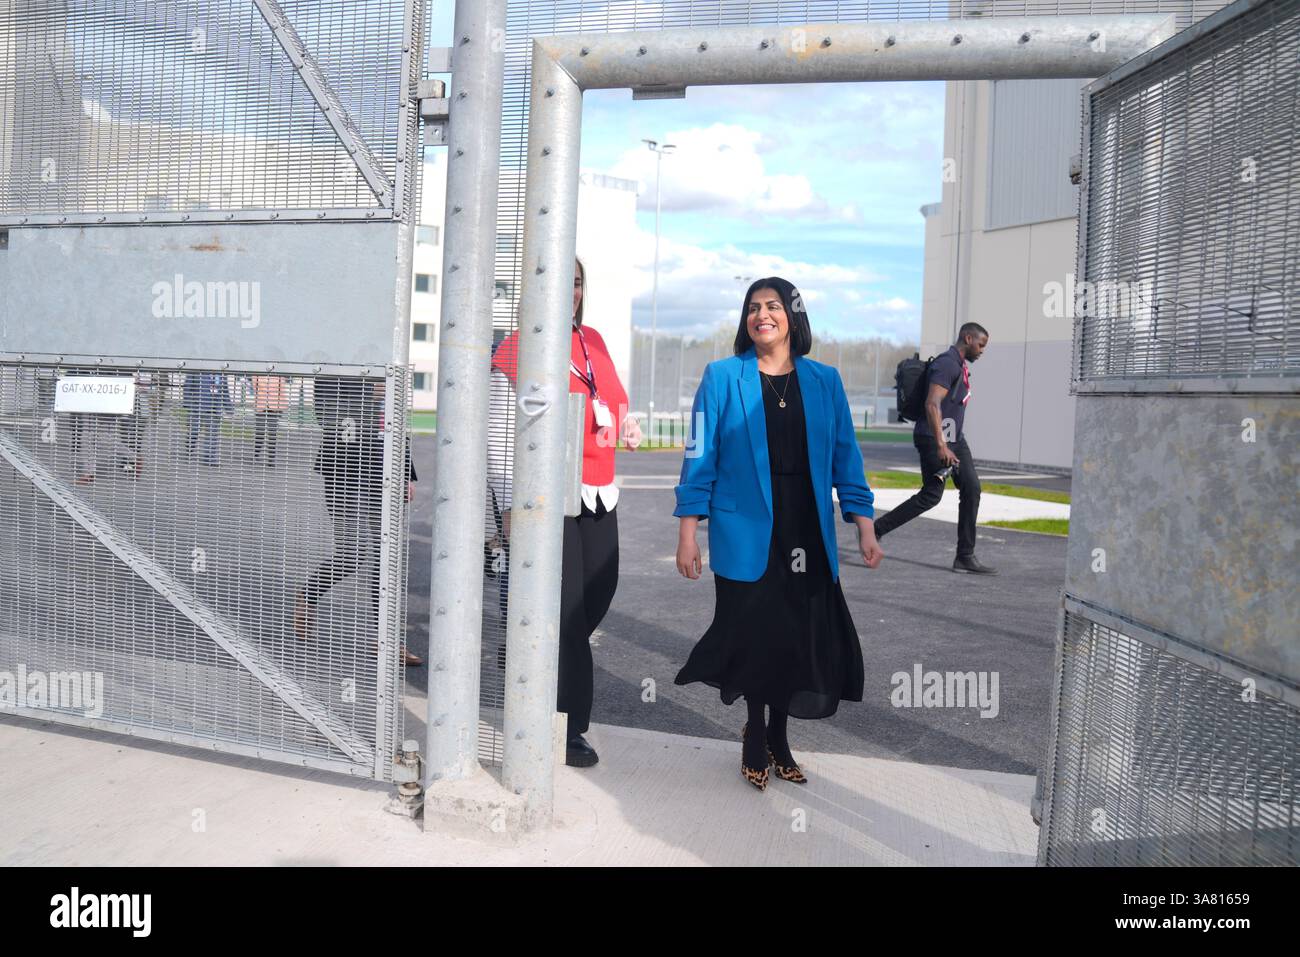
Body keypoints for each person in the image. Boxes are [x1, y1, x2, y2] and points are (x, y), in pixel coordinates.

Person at [673, 277, 883, 791]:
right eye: (751, 307)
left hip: (805, 527)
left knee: (795, 635)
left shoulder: (825, 381)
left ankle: (778, 736)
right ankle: (754, 734)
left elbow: (845, 459)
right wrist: (687, 533)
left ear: (793, 316)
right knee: (755, 632)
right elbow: (699, 456)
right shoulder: (722, 377)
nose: (760, 315)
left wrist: (864, 524)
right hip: (745, 529)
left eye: (771, 306)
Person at [487, 258, 643, 768]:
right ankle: (565, 725)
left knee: (598, 593)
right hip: (549, 500)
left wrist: (628, 425)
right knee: (570, 616)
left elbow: (611, 402)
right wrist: (509, 504)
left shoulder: (591, 339)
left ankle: (538, 659)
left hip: (599, 492)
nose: (570, 292)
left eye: (576, 282)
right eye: (559, 283)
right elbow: (496, 433)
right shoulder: (517, 347)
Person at [294, 376, 423, 667]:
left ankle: (388, 642)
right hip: (344, 469)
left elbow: (396, 422)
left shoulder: (390, 357)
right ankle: (308, 595)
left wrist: (405, 471)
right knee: (352, 554)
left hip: (384, 470)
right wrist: (378, 385)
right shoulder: (337, 361)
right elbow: (328, 413)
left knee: (386, 557)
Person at [872, 322, 997, 574]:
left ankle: (964, 556)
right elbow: (931, 404)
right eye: (981, 345)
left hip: (955, 439)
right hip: (934, 438)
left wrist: (950, 441)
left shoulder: (959, 365)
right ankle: (876, 529)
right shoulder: (947, 363)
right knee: (931, 495)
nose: (983, 350)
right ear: (968, 338)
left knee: (972, 489)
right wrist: (941, 445)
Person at [182, 372, 231, 466]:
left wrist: (229, 409)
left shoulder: (222, 374)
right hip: (197, 406)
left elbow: (225, 390)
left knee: (212, 434)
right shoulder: (196, 371)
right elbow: (187, 387)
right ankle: (189, 447)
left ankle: (208, 458)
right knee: (194, 432)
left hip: (215, 408)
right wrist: (188, 403)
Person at [251, 374, 288, 467]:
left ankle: (271, 459)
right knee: (260, 432)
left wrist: (282, 406)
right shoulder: (257, 374)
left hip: (274, 406)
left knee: (272, 433)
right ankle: (256, 455)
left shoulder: (279, 375)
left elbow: (282, 390)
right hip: (261, 405)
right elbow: (254, 387)